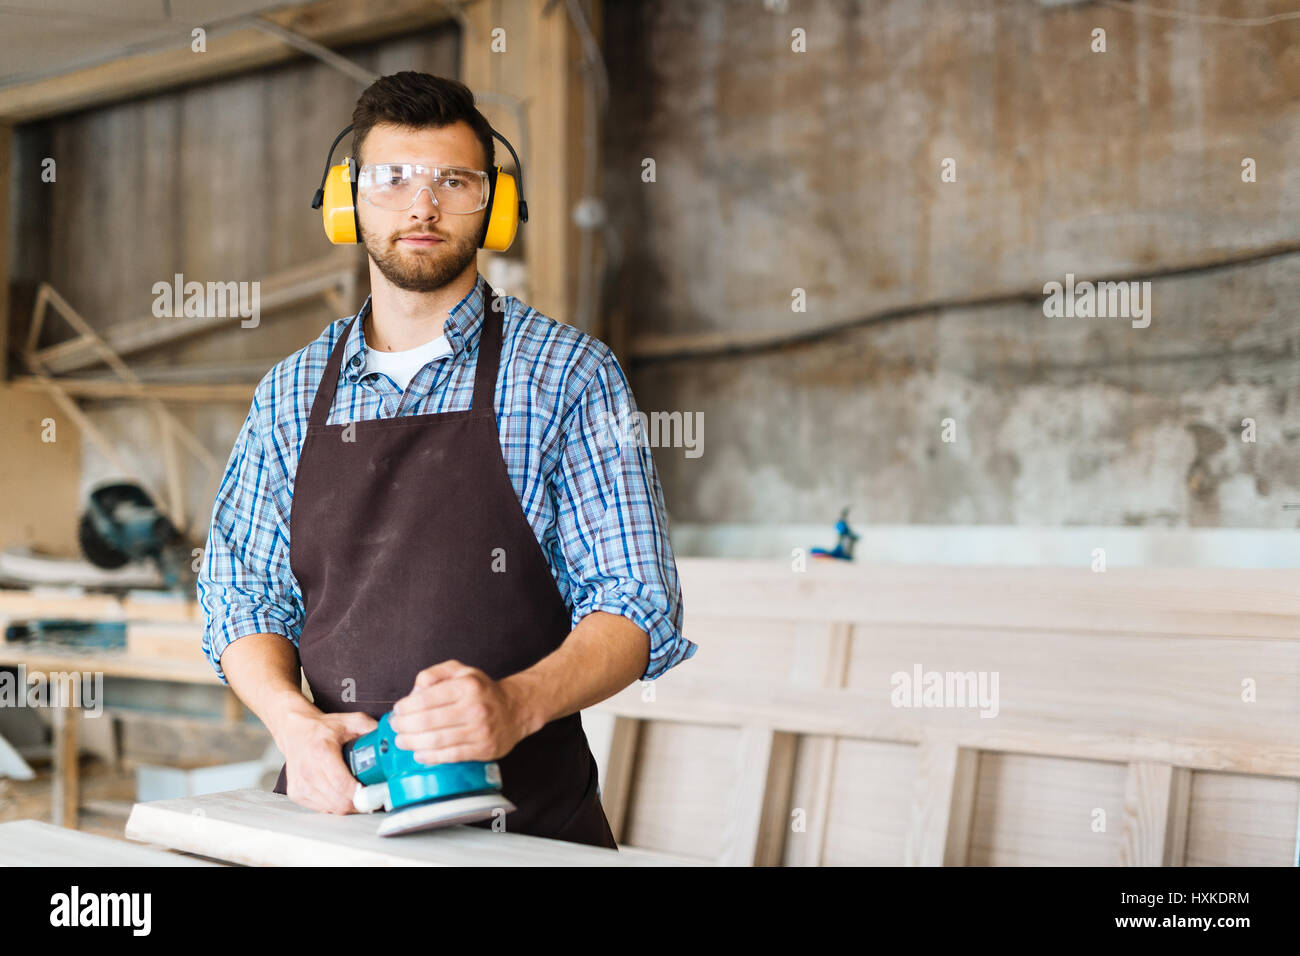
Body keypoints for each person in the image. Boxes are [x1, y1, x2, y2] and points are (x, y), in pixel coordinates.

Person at [197, 71, 695, 849]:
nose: (422, 206)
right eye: (392, 179)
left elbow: (636, 603)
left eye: (453, 181)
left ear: (492, 207)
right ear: (347, 202)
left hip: (527, 832)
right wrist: (294, 724)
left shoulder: (568, 375)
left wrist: (518, 705)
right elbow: (242, 594)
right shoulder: (290, 392)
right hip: (336, 819)